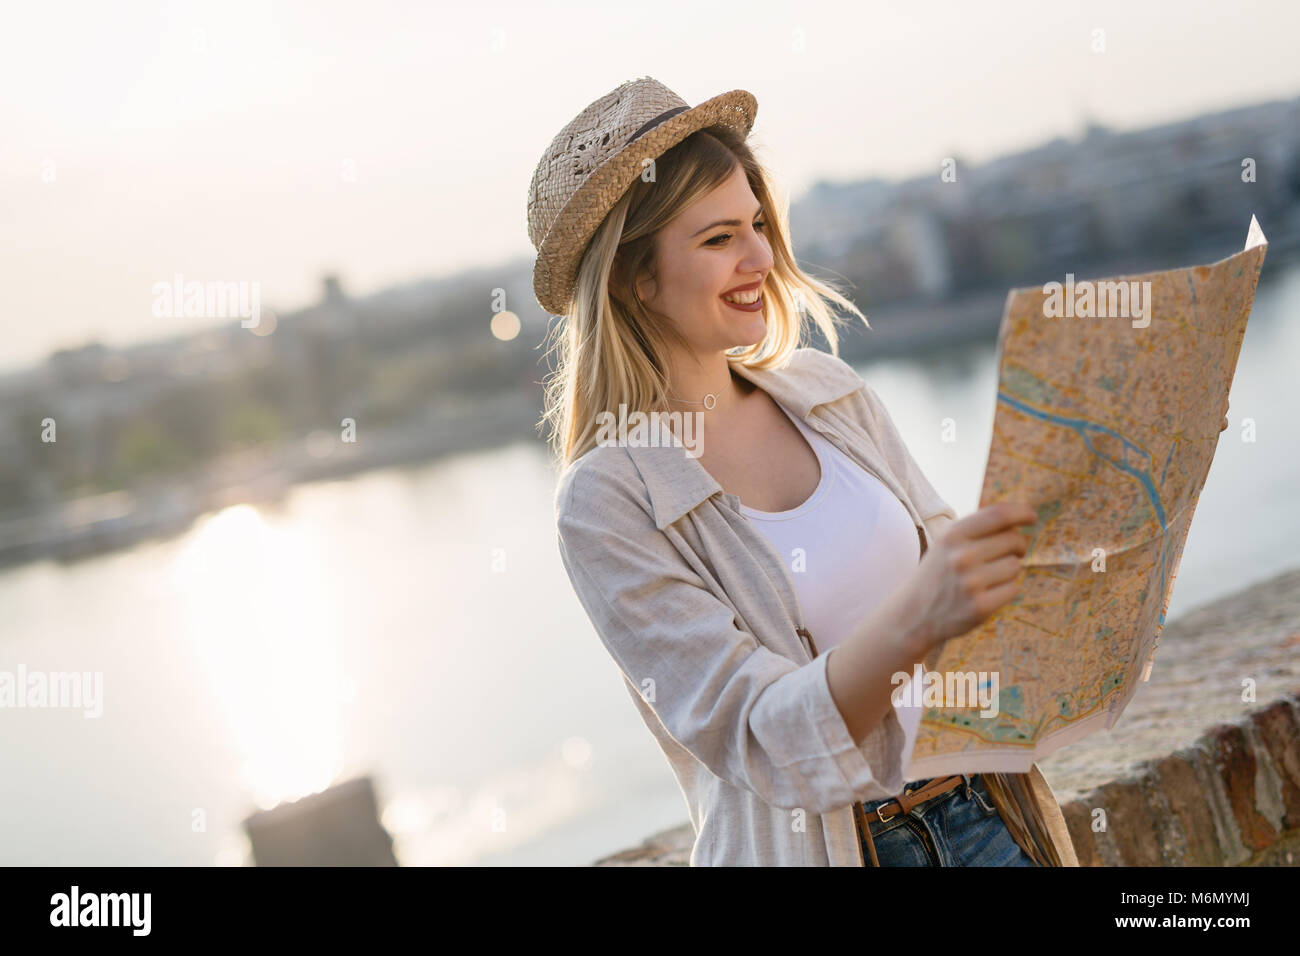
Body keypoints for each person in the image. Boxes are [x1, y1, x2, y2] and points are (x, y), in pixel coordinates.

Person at [525, 77, 1084, 866]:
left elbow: (979, 598)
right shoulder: (606, 500)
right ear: (631, 277)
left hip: (991, 815)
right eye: (718, 239)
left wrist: (1110, 475)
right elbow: (760, 734)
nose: (761, 257)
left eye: (756, 224)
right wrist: (924, 611)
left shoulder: (830, 394)